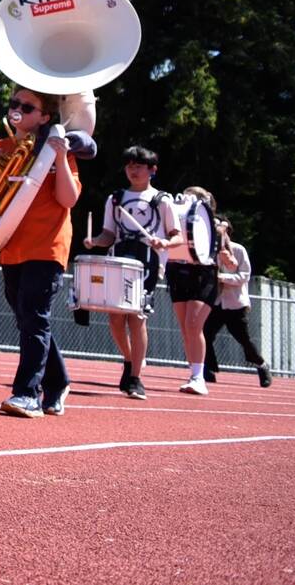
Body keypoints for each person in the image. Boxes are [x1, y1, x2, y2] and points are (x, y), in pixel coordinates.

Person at [0, 90, 83, 417]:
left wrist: (61, 158)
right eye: (14, 104)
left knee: (34, 316)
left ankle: (27, 393)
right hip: (11, 244)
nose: (17, 110)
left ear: (45, 117)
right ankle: (59, 381)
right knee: (27, 319)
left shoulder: (57, 148)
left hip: (48, 244)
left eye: (27, 106)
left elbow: (68, 199)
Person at [79, 144, 180, 399]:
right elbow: (108, 234)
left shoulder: (162, 200)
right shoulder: (116, 199)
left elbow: (177, 236)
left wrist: (165, 244)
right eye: (129, 165)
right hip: (119, 260)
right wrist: (94, 242)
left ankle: (135, 377)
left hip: (148, 262)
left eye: (138, 165)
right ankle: (129, 359)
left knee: (137, 317)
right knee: (115, 318)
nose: (133, 170)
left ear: (152, 170)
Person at [164, 184, 221, 395]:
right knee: (185, 327)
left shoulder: (212, 225)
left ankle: (199, 377)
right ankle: (193, 373)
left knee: (193, 324)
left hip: (203, 275)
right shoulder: (174, 221)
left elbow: (220, 251)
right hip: (177, 270)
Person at [203, 217, 272, 388]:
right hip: (216, 303)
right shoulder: (208, 251)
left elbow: (244, 276)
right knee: (205, 334)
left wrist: (222, 278)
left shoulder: (238, 250)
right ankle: (208, 368)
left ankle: (261, 365)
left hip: (235, 304)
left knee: (244, 339)